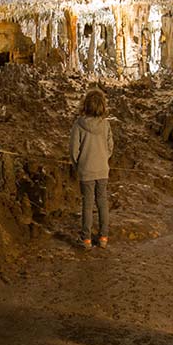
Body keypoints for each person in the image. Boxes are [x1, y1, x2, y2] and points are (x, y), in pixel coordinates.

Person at [70, 88, 114, 248]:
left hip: (86, 170)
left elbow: (73, 150)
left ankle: (86, 239)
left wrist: (78, 165)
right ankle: (103, 238)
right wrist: (103, 159)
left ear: (85, 104)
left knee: (87, 204)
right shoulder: (106, 124)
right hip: (102, 170)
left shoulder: (78, 125)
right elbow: (110, 147)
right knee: (102, 202)